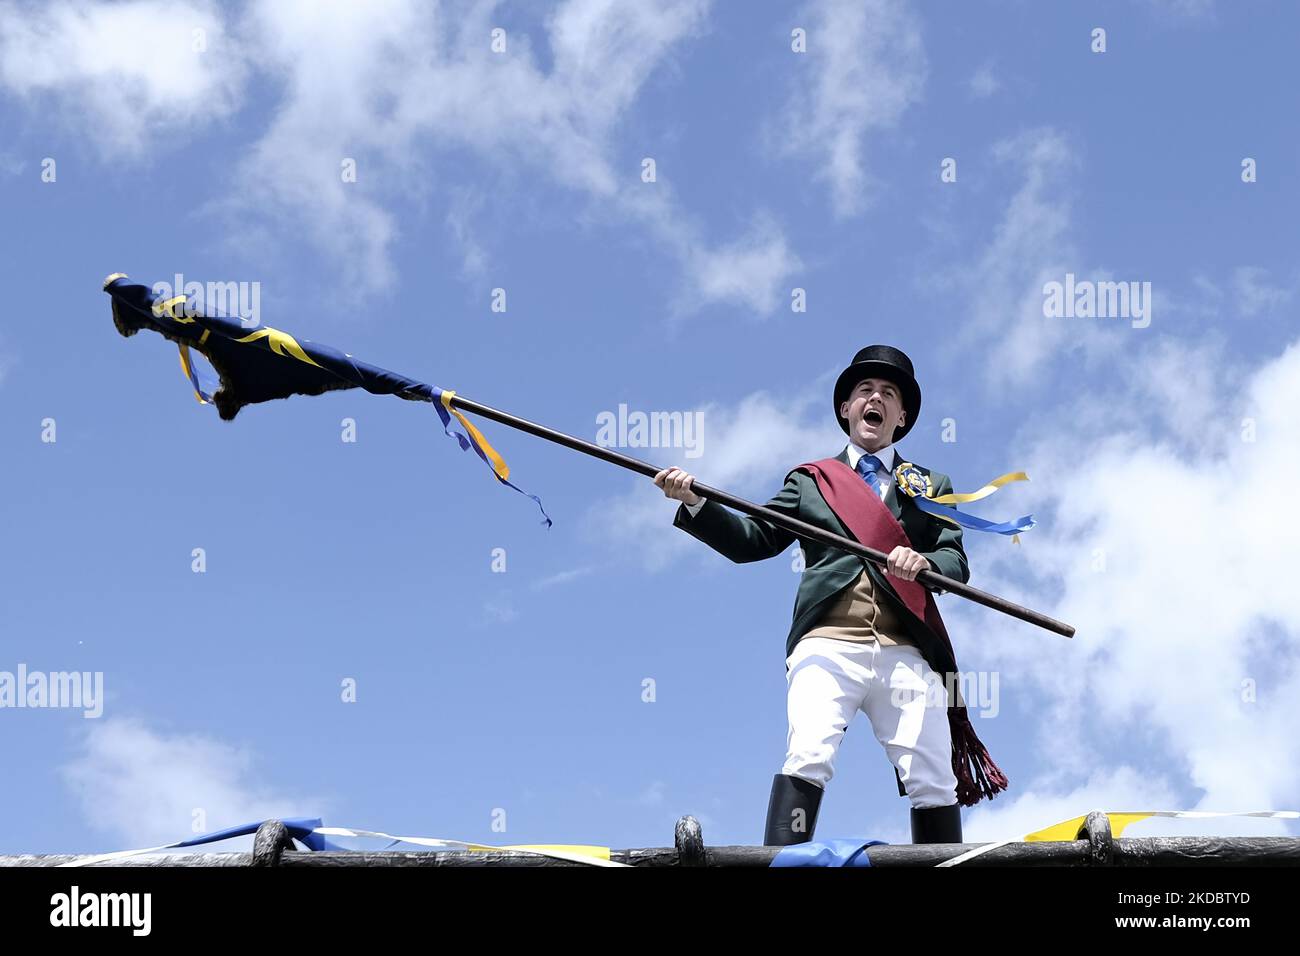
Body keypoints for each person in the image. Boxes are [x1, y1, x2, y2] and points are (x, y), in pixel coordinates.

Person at [653, 345, 1006, 846]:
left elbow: (956, 562)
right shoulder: (811, 481)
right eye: (865, 390)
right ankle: (783, 863)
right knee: (809, 753)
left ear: (901, 416)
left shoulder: (929, 484)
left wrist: (926, 564)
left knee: (933, 776)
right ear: (846, 408)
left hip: (903, 648)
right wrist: (695, 502)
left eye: (888, 393)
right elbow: (752, 540)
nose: (875, 398)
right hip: (828, 643)